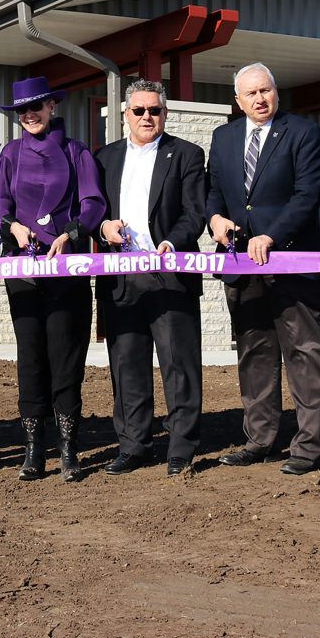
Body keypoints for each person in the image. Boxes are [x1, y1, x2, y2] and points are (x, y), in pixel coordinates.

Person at [206, 62, 320, 475]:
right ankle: (259, 439)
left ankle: (308, 446)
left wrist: (272, 235)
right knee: (255, 354)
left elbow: (307, 194)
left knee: (304, 354)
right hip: (242, 264)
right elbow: (213, 191)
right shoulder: (223, 138)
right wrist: (215, 219)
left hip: (292, 262)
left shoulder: (302, 131)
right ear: (237, 101)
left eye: (267, 91)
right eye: (252, 94)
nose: (261, 99)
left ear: (276, 92)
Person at [0, 76, 106, 482]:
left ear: (52, 107)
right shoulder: (10, 154)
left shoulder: (77, 152)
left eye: (37, 106)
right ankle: (34, 449)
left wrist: (70, 234)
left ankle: (69, 449)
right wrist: (11, 226)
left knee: (65, 355)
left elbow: (93, 203)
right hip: (22, 268)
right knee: (31, 357)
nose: (30, 115)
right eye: (23, 110)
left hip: (66, 267)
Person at [94, 80, 206, 477]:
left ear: (165, 113)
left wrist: (172, 243)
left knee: (179, 363)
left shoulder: (188, 154)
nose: (146, 117)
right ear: (125, 115)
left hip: (169, 274)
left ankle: (181, 446)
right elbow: (94, 211)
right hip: (121, 277)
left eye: (154, 110)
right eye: (138, 110)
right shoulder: (104, 158)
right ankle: (133, 444)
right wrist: (104, 227)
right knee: (127, 365)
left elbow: (195, 212)